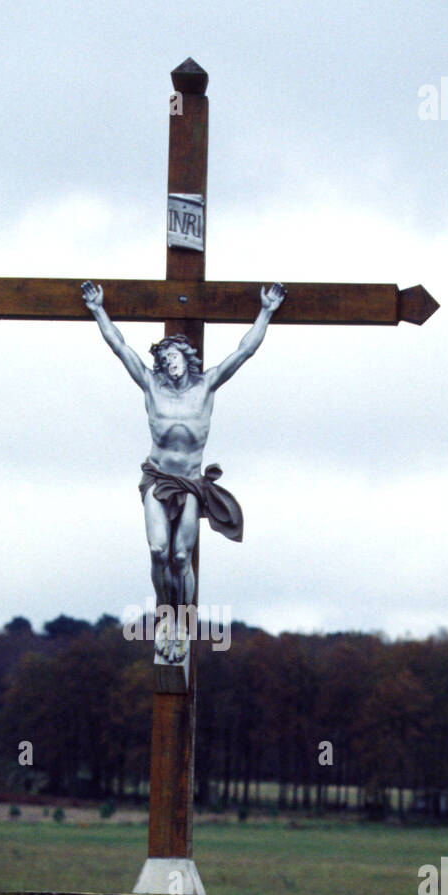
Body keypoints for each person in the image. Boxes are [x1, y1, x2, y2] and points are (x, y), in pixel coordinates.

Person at [82, 280, 285, 660]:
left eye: (174, 357)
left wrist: (267, 311)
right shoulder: (151, 385)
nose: (168, 363)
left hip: (190, 484)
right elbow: (119, 347)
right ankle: (165, 615)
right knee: (158, 550)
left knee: (180, 557)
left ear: (186, 357)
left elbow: (244, 352)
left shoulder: (206, 386)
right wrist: (98, 310)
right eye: (163, 359)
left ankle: (182, 621)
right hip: (157, 480)